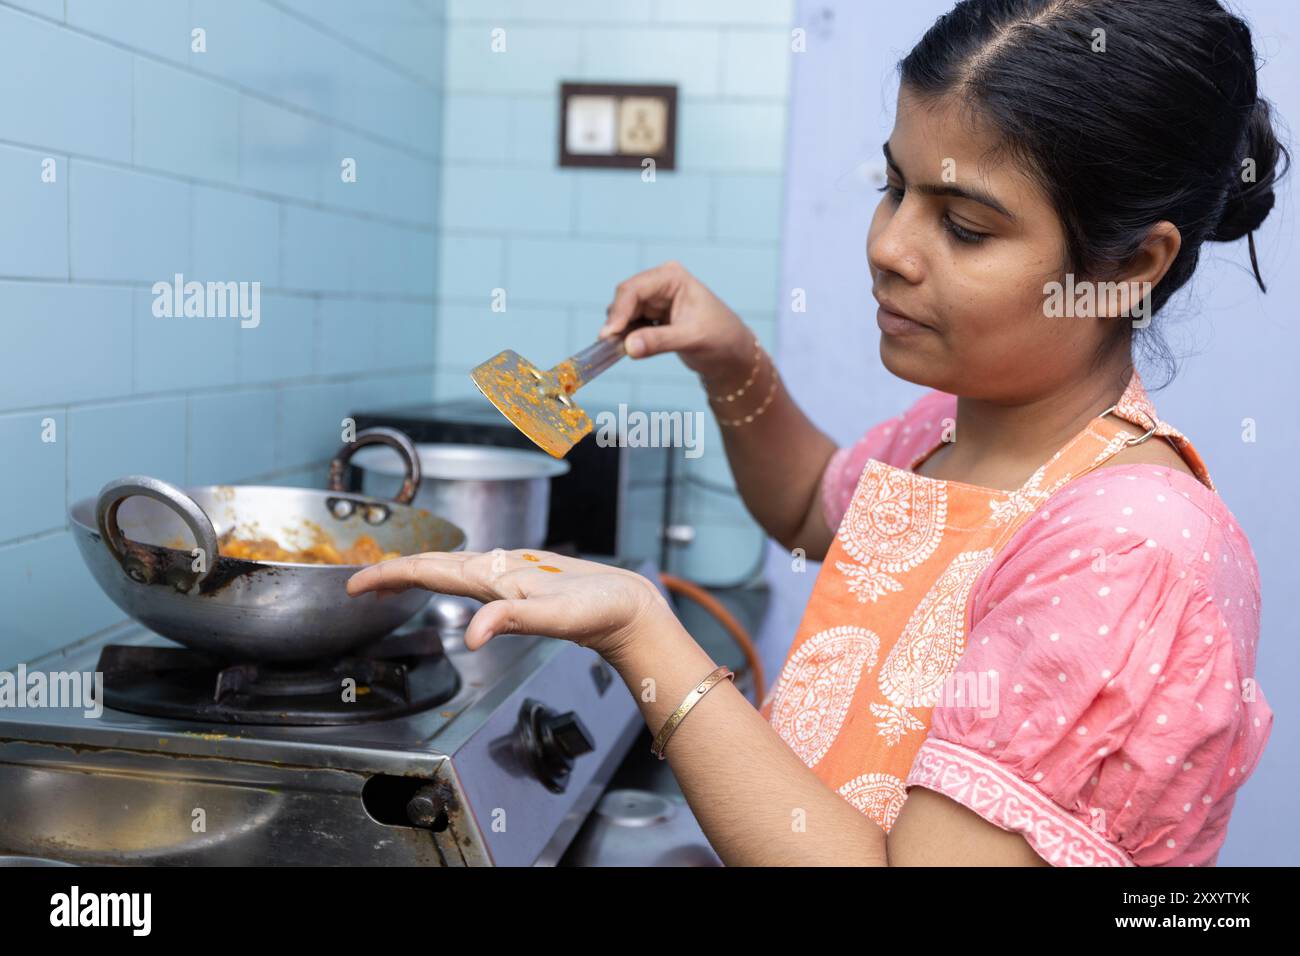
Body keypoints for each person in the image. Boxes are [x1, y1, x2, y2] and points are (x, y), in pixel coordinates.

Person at [348, 0, 1282, 866]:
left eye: (962, 227)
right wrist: (732, 361)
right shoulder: (949, 428)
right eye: (894, 186)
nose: (887, 245)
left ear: (1128, 266)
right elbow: (806, 505)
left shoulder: (1134, 553)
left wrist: (645, 634)